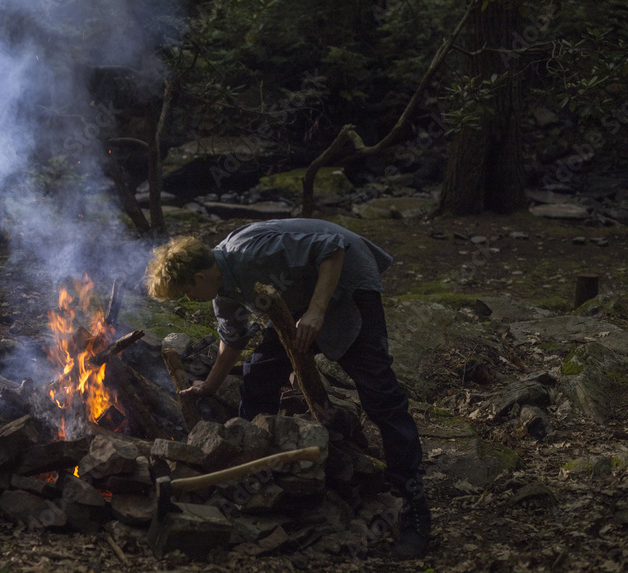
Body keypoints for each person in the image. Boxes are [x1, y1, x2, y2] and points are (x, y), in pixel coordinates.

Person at [145, 218, 430, 559]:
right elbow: (232, 340)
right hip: (296, 296)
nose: (190, 299)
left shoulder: (250, 253)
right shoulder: (225, 290)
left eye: (188, 292)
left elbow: (332, 248)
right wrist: (208, 386)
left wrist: (316, 311)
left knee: (380, 395)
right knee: (259, 376)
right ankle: (248, 477)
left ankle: (412, 500)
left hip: (346, 279)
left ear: (199, 277)